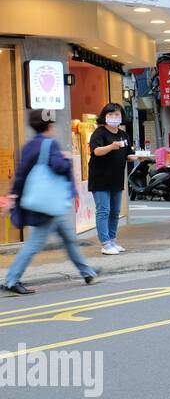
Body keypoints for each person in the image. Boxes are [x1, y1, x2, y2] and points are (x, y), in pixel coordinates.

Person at [2, 110, 98, 294]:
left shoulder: (29, 146)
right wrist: (66, 159)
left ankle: (87, 272)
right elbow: (59, 167)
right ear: (49, 126)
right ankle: (12, 280)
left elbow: (21, 174)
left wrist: (13, 196)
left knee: (69, 239)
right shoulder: (50, 144)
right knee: (35, 243)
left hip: (41, 202)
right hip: (50, 204)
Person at [88, 102, 132, 254]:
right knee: (103, 211)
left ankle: (112, 241)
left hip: (116, 179)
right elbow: (96, 151)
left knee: (115, 211)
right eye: (111, 114)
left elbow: (127, 154)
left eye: (117, 114)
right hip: (100, 178)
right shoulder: (99, 133)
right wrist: (111, 146)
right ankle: (105, 243)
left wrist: (137, 157)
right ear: (104, 117)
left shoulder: (123, 134)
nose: (114, 117)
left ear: (121, 117)